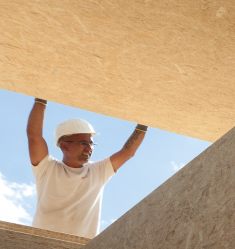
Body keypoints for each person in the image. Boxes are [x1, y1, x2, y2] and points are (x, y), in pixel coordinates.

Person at [26, 97, 147, 238]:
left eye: (91, 144)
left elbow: (127, 152)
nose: (89, 148)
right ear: (65, 145)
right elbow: (34, 136)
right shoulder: (47, 169)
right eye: (83, 143)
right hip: (42, 243)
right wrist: (41, 98)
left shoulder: (98, 172)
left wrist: (144, 123)